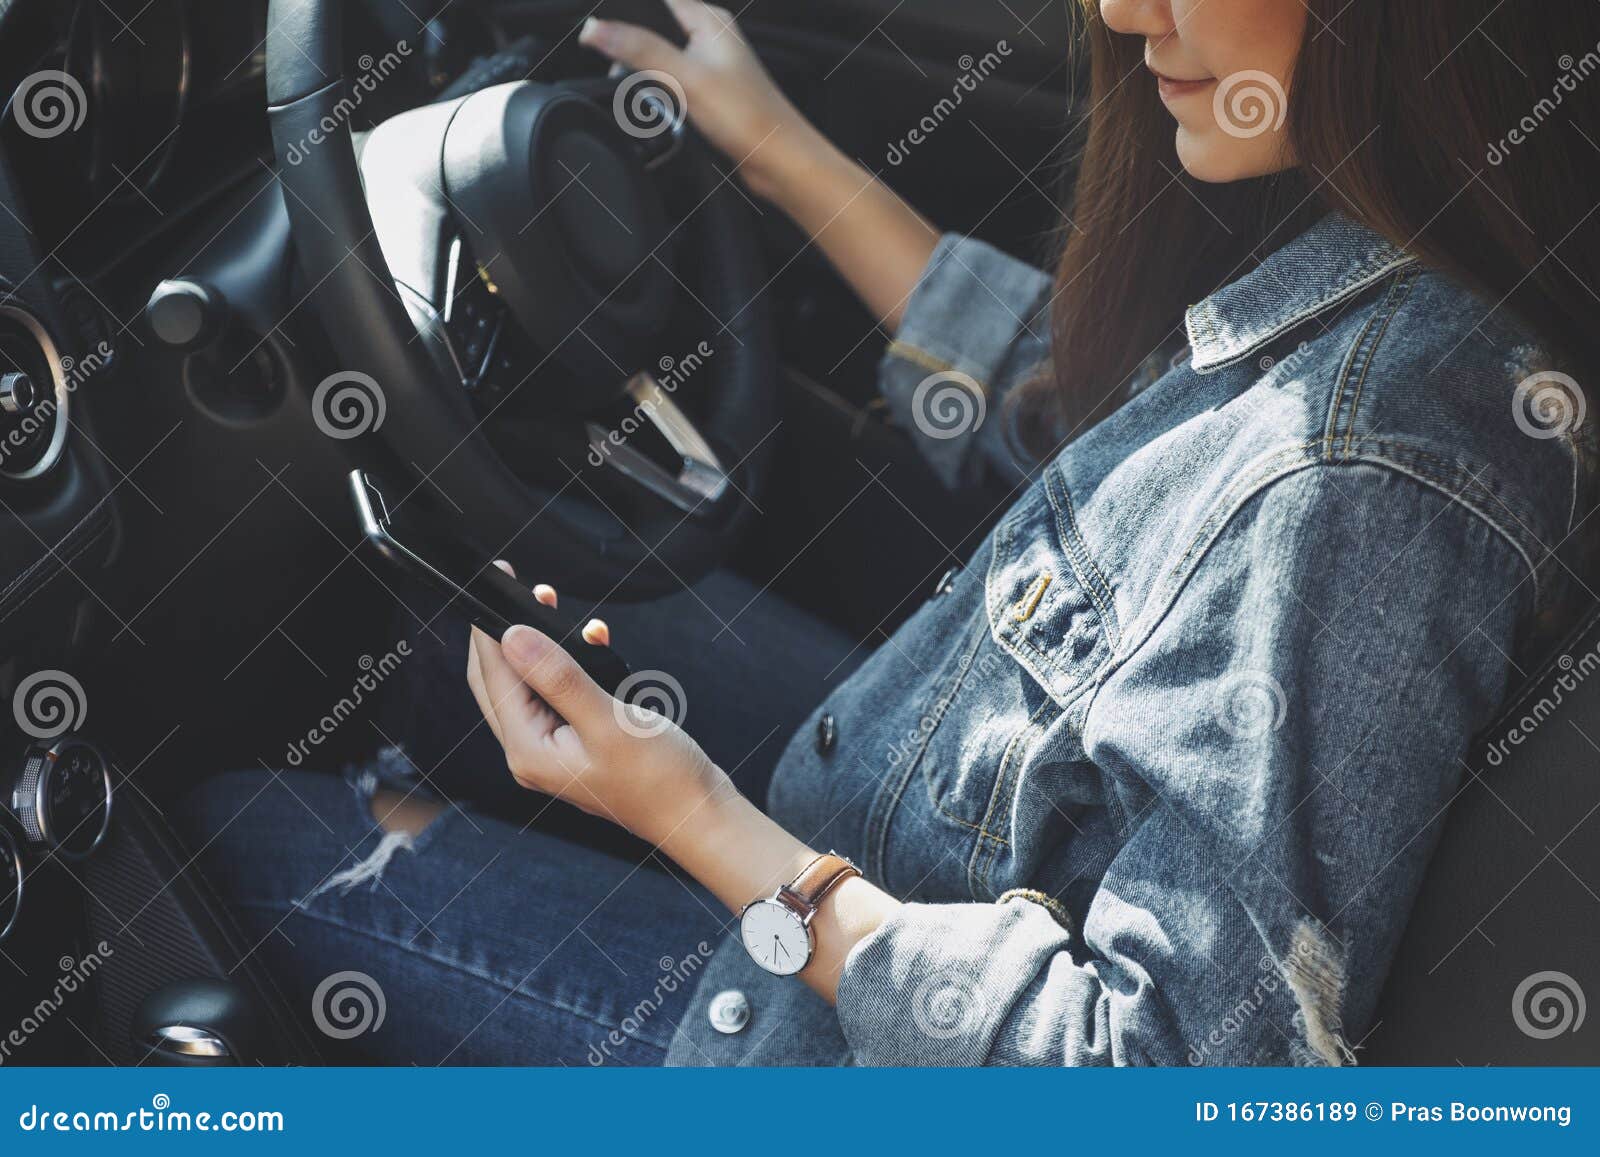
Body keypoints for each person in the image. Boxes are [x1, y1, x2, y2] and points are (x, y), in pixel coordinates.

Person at [182, 0, 1600, 1065]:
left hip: (818, 1046)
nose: (1120, 12)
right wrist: (775, 147)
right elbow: (1101, 433)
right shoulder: (1395, 288)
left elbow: (1156, 1077)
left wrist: (695, 824)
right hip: (923, 818)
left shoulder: (1362, 476)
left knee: (241, 836)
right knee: (446, 626)